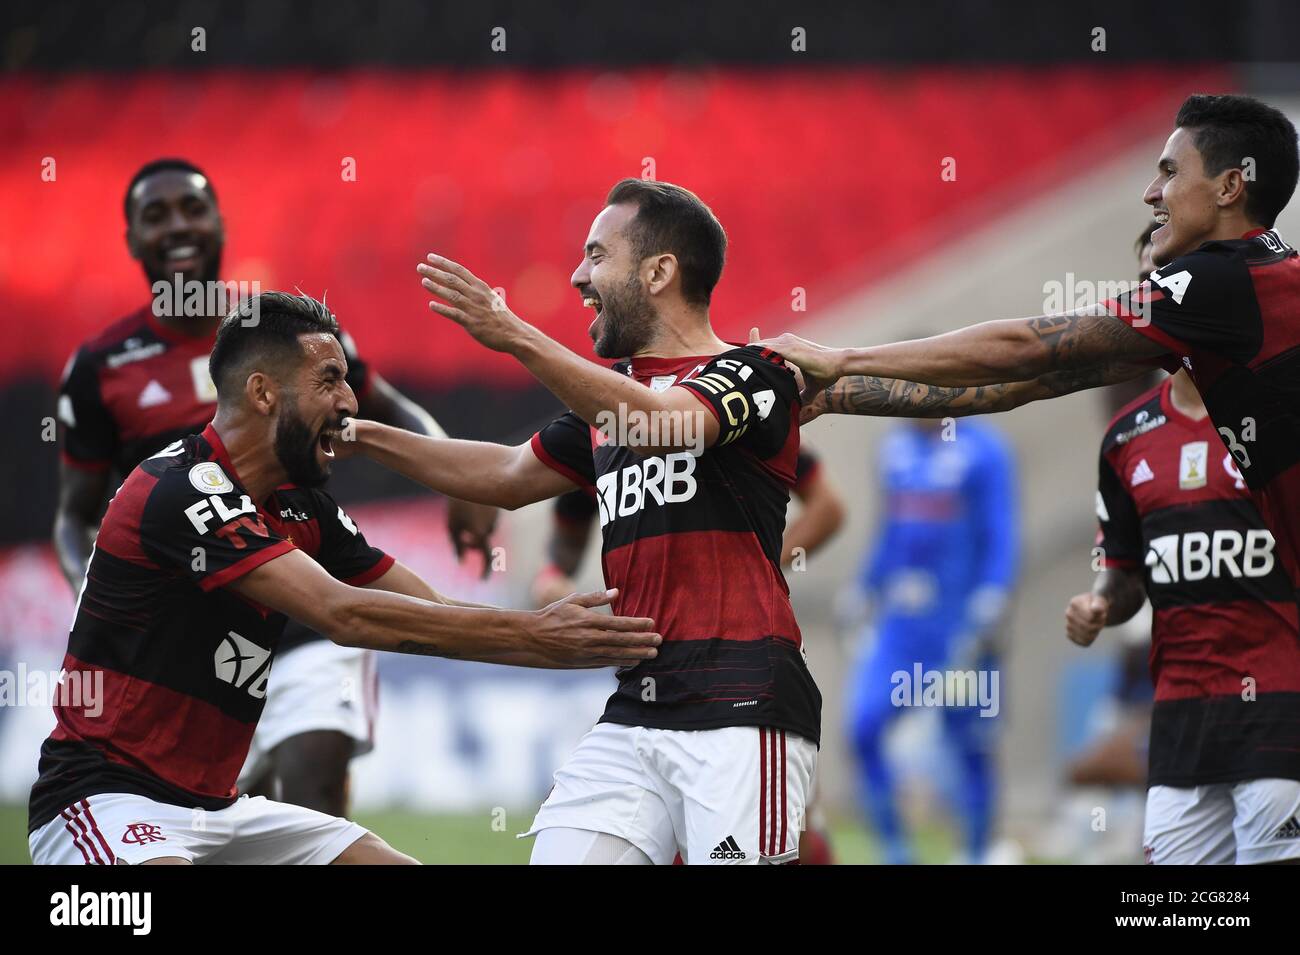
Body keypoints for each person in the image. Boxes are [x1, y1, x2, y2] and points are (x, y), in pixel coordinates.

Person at [28, 291, 659, 865]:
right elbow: (344, 615)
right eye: (330, 380)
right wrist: (536, 636)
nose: (350, 401)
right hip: (103, 798)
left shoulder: (301, 506)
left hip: (217, 808)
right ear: (264, 393)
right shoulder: (183, 489)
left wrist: (558, 642)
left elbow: (434, 615)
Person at [345, 179, 821, 864]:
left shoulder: (753, 372)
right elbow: (505, 478)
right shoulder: (603, 411)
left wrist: (512, 333)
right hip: (638, 709)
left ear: (659, 272)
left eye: (597, 255)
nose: (576, 276)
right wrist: (361, 436)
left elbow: (668, 424)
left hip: (744, 701)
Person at [52, 158, 498, 818]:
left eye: (192, 209)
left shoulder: (289, 333)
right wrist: (86, 581)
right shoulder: (99, 370)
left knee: (314, 777)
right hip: (188, 622)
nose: (178, 226)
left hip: (310, 594)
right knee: (220, 822)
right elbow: (75, 515)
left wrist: (462, 486)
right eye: (156, 214)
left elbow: (396, 412)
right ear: (131, 240)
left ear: (219, 225)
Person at [764, 94, 1300, 594]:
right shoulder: (1241, 289)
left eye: (1170, 171)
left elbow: (1028, 347)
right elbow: (1020, 384)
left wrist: (841, 359)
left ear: (1231, 187)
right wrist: (829, 393)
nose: (1150, 191)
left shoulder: (1223, 278)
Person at [530, 449, 846, 865]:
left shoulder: (725, 402)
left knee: (792, 828)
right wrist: (553, 578)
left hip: (744, 666)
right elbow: (562, 527)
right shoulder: (599, 426)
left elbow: (828, 508)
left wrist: (758, 561)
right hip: (651, 678)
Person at [1065, 359, 1300, 864]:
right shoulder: (1128, 435)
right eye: (1152, 283)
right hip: (1181, 721)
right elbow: (1124, 568)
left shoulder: (1279, 416)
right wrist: (1101, 602)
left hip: (1278, 708)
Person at [843, 416, 1017, 864]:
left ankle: (977, 852)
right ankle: (897, 851)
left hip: (958, 626)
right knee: (863, 726)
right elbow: (890, 531)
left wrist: (993, 596)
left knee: (968, 740)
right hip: (902, 628)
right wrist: (865, 586)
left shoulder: (985, 449)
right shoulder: (895, 449)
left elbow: (1000, 532)